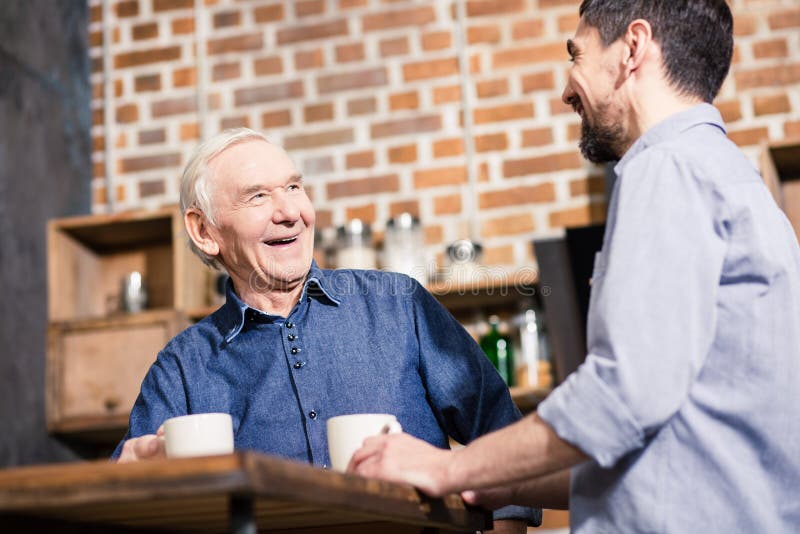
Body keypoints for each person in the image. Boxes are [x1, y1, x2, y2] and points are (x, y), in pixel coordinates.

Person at [350, 1, 800, 532]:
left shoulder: (668, 167)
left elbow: (623, 396)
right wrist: (505, 484)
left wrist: (444, 467)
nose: (567, 90)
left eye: (577, 56)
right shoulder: (730, 178)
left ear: (633, 47)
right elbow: (664, 445)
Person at [111, 128, 538, 531]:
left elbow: (500, 433)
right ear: (204, 231)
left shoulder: (398, 304)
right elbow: (122, 506)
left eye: (294, 187)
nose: (290, 213)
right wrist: (129, 482)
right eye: (258, 196)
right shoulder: (182, 367)